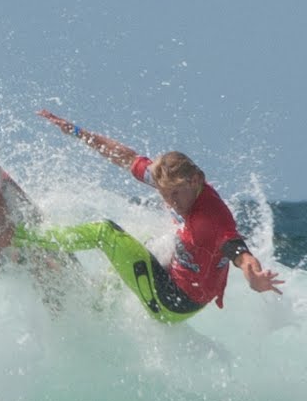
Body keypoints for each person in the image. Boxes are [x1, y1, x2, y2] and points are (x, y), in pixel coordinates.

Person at [20, 109, 283, 322]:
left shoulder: (212, 218)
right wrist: (77, 132)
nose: (172, 202)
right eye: (166, 195)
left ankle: (27, 236)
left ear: (196, 180)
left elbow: (238, 251)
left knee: (106, 232)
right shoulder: (171, 181)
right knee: (145, 242)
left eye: (176, 195)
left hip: (174, 302)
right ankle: (97, 306)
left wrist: (254, 277)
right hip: (179, 283)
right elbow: (125, 157)